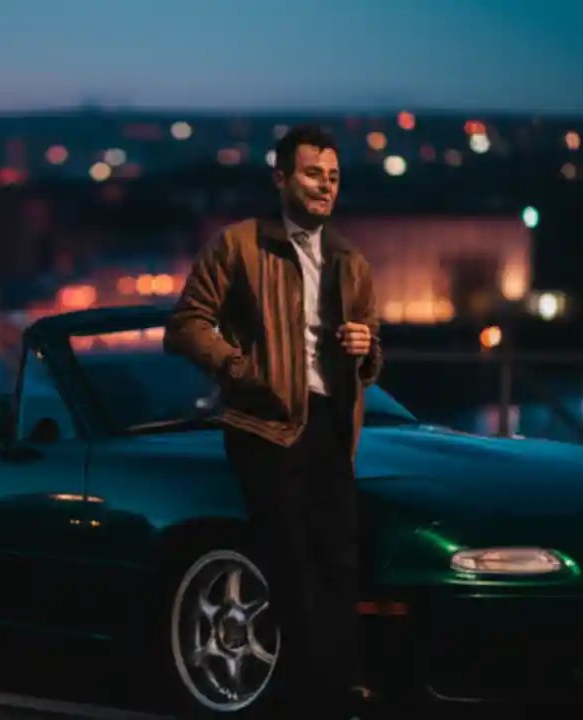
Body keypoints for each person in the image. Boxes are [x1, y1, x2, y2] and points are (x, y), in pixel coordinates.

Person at [163, 123, 382, 717]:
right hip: (264, 425)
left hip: (333, 426)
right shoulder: (239, 246)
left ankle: (343, 688)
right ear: (281, 178)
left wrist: (365, 347)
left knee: (339, 563)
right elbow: (186, 325)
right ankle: (306, 694)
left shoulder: (350, 260)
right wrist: (238, 368)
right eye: (313, 174)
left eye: (333, 176)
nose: (326, 186)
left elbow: (371, 350)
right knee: (290, 562)